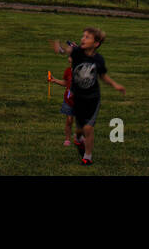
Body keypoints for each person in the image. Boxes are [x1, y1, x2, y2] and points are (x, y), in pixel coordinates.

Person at [50, 28, 125, 165]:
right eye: (83, 36)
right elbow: (66, 50)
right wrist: (59, 48)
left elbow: (103, 76)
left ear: (96, 43)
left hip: (93, 98)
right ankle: (78, 138)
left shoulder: (98, 59)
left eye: (87, 37)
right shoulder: (77, 52)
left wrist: (115, 85)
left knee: (88, 128)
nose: (83, 39)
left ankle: (87, 156)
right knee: (80, 129)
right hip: (78, 98)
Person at [48, 56, 75, 145]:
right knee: (69, 120)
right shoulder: (68, 71)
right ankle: (67, 139)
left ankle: (79, 136)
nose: (69, 60)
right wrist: (55, 80)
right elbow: (66, 82)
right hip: (68, 100)